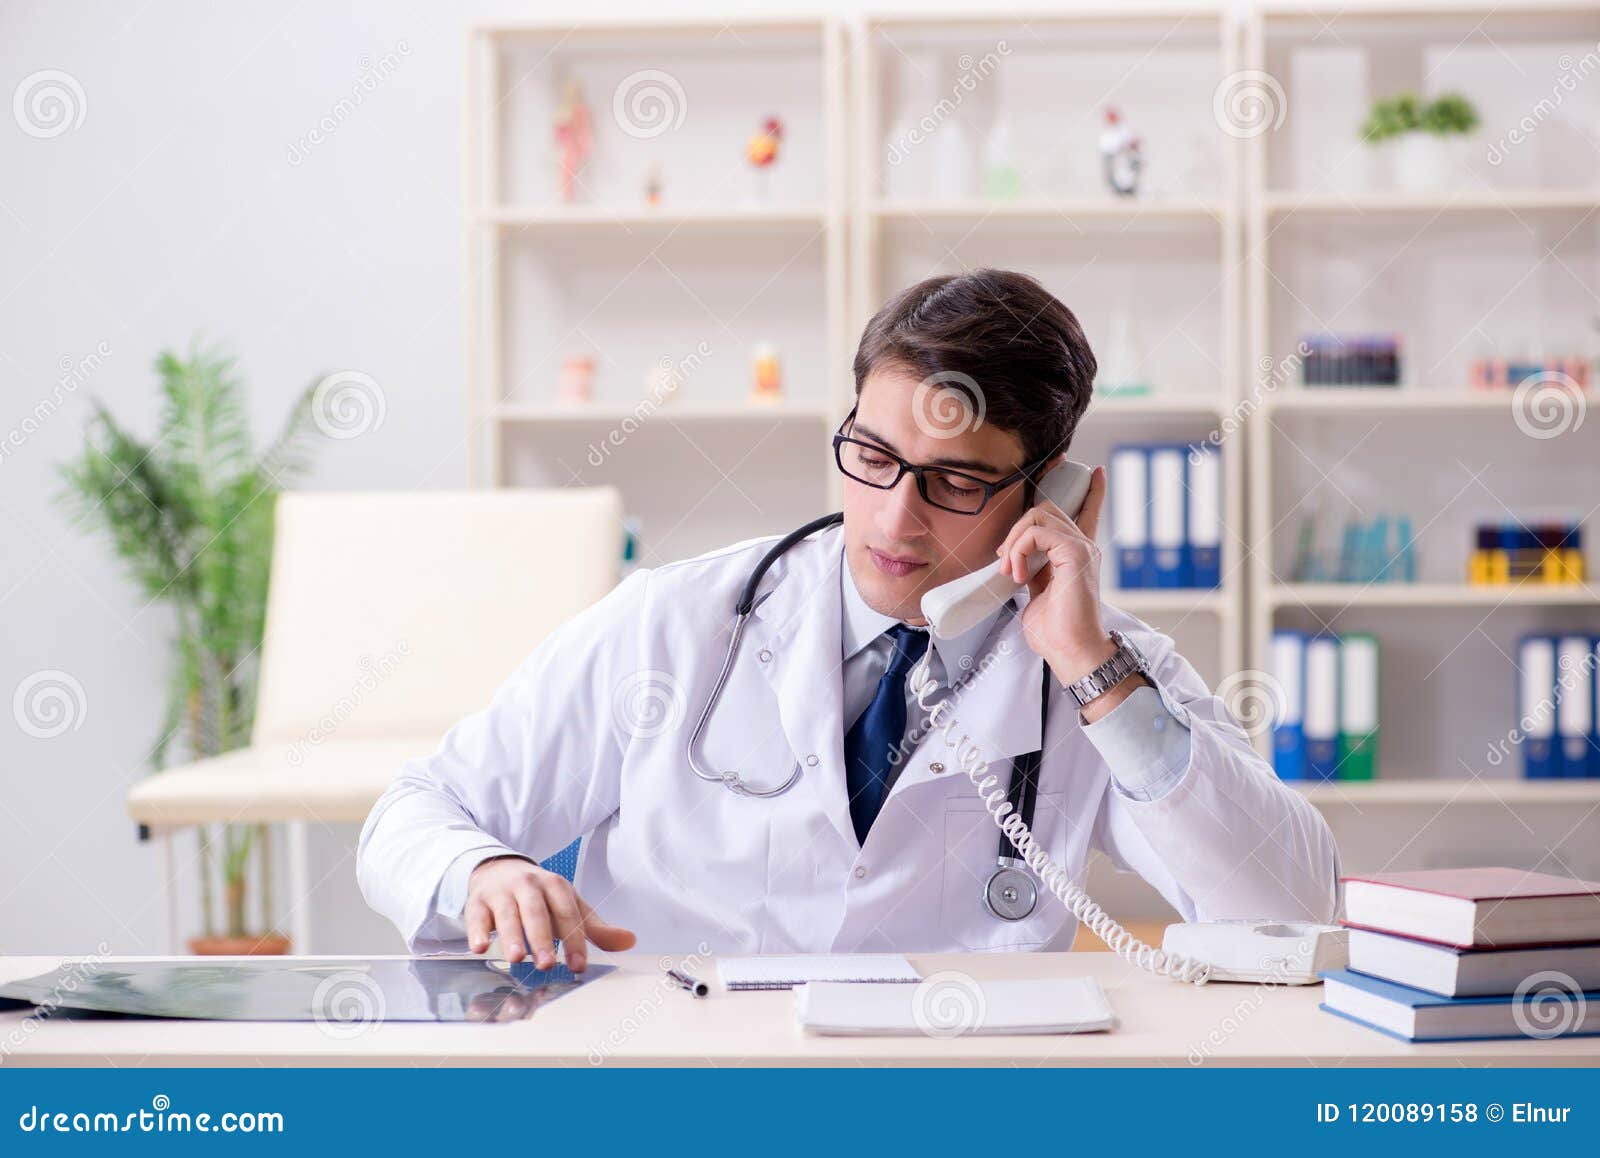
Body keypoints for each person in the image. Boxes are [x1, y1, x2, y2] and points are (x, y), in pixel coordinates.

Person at [357, 269, 1340, 971]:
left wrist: (1091, 668)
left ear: (1053, 492)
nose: (892, 518)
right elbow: (414, 812)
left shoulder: (1099, 672)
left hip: (939, 1095)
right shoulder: (677, 621)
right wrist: (481, 865)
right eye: (870, 456)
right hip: (675, 1076)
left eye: (953, 480)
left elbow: (1291, 909)